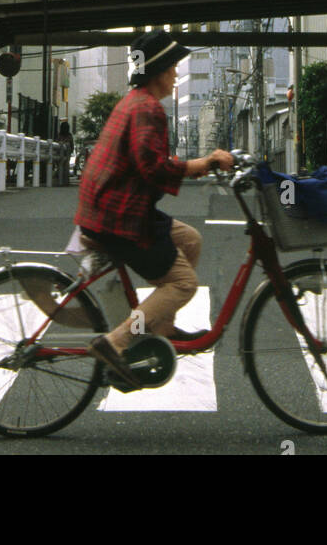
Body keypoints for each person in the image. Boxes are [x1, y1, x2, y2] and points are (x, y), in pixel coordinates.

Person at [74, 29, 233, 388]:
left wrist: (197, 164)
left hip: (113, 208)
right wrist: (203, 163)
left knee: (190, 240)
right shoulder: (147, 108)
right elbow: (153, 167)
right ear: (160, 70)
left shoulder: (135, 100)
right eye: (174, 66)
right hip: (119, 217)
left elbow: (147, 163)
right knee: (182, 283)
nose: (176, 73)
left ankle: (159, 326)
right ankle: (114, 343)